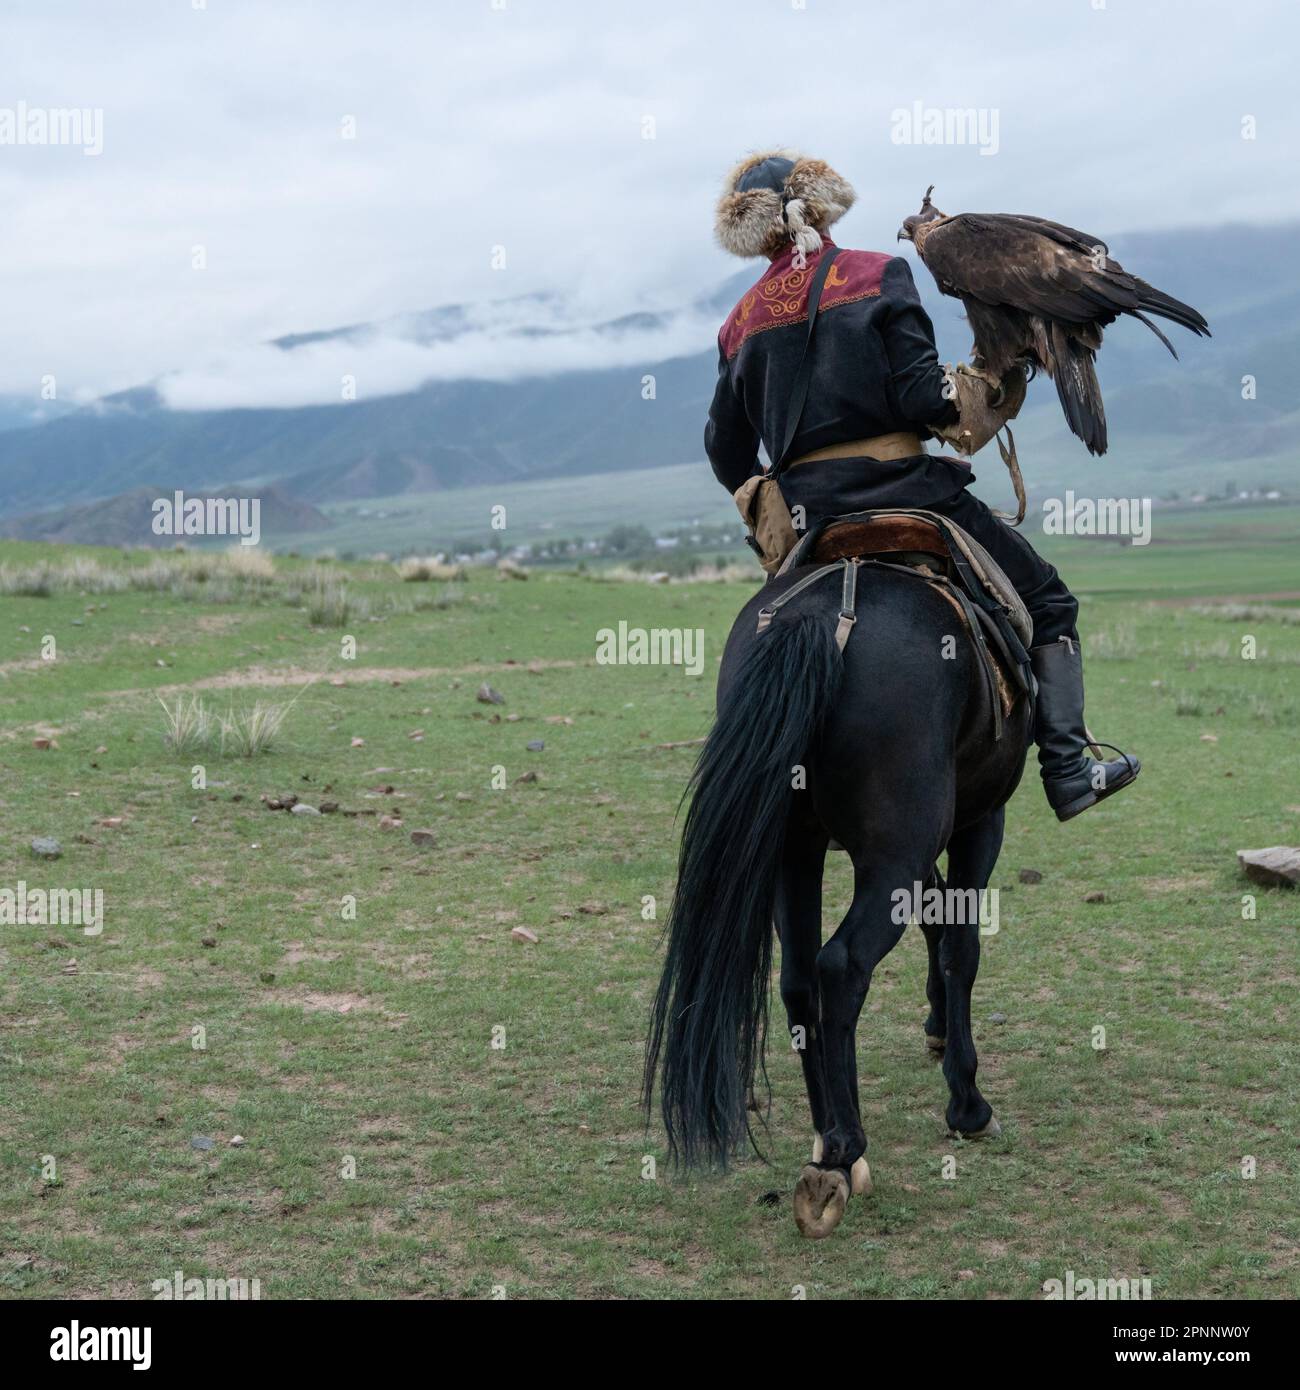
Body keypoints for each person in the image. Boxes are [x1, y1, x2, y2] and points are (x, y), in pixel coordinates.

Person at [704, 150, 1138, 821]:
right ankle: (1069, 771)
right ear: (819, 206)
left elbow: (723, 447)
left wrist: (769, 502)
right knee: (1049, 602)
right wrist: (976, 391)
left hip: (808, 517)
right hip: (909, 495)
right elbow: (920, 399)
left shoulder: (739, 322)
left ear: (754, 231)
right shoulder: (881, 274)